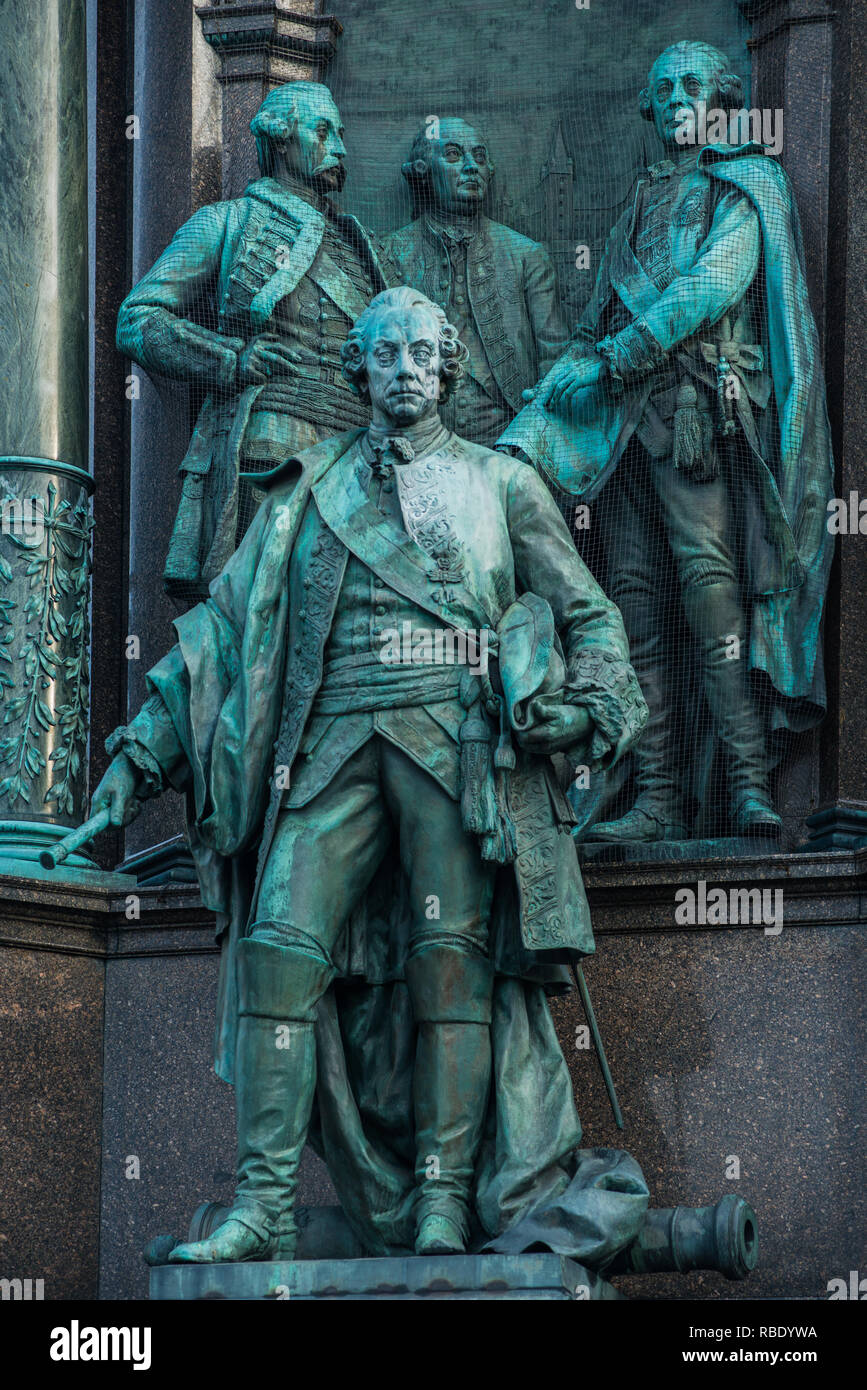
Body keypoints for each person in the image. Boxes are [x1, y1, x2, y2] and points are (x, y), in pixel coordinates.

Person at [93, 287, 648, 1262]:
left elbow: (593, 616)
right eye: (383, 352)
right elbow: (225, 629)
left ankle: (441, 1201)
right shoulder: (307, 490)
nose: (401, 368)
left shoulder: (503, 484)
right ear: (358, 369)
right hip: (333, 744)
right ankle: (260, 1209)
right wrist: (140, 753)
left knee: (451, 959)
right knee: (277, 946)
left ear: (448, 370)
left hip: (453, 740)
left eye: (420, 352)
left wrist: (587, 705)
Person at [501, 41, 834, 843]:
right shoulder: (636, 206)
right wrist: (553, 391)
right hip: (621, 434)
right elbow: (592, 324)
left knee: (709, 590)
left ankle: (751, 787)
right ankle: (655, 798)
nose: (679, 98)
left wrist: (615, 357)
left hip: (696, 416)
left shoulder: (747, 184)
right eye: (664, 89)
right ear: (648, 109)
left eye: (693, 85)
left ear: (722, 98)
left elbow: (713, 284)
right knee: (634, 606)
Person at [117, 82, 396, 598]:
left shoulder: (364, 248)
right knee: (269, 612)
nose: (340, 147)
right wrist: (233, 358)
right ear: (281, 140)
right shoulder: (227, 222)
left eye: (340, 133)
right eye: (322, 131)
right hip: (274, 441)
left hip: (365, 453)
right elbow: (136, 320)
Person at [383, 118, 568, 447]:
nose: (471, 167)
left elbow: (554, 356)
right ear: (423, 170)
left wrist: (534, 439)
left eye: (480, 157)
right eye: (454, 155)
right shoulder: (389, 254)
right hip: (414, 436)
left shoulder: (527, 255)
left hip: (506, 436)